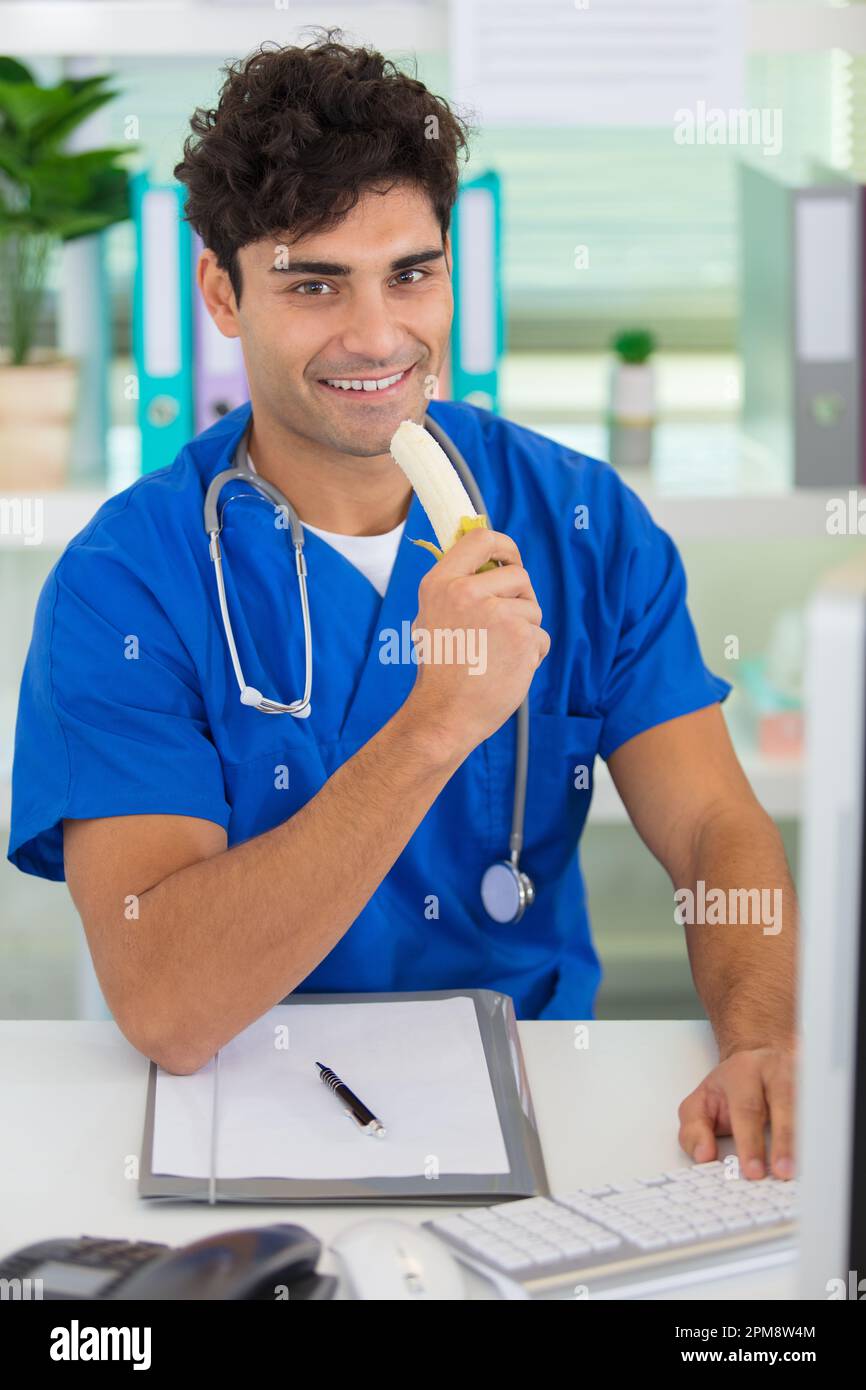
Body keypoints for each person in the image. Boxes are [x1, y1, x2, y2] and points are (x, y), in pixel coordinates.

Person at [7, 33, 796, 1182]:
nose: (378, 336)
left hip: (537, 1090)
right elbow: (168, 1005)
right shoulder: (126, 582)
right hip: (238, 1106)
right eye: (314, 283)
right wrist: (437, 719)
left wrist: (763, 1037)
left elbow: (714, 832)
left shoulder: (578, 521)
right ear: (221, 292)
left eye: (410, 274)